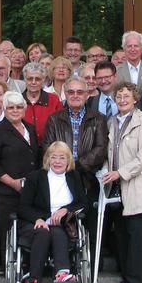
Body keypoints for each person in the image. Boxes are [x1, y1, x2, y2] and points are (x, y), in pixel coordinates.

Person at [41, 76, 110, 258]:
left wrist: (75, 166)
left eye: (80, 92)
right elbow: (47, 147)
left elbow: (101, 149)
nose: (75, 95)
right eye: (71, 92)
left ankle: (93, 268)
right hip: (60, 180)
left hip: (88, 179)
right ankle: (67, 266)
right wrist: (63, 167)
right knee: (64, 224)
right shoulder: (55, 119)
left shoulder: (98, 119)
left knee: (91, 226)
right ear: (65, 94)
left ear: (88, 95)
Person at [103, 82, 142, 283]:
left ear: (135, 99)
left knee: (135, 238)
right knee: (121, 237)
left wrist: (120, 172)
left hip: (136, 186)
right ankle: (126, 279)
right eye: (119, 96)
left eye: (126, 96)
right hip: (116, 188)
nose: (122, 100)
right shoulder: (112, 122)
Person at [18, 141, 86, 283]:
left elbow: (83, 203)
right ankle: (33, 282)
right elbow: (23, 206)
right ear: (47, 159)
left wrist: (66, 210)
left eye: (62, 158)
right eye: (53, 157)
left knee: (57, 232)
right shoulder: (35, 177)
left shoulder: (74, 177)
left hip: (61, 225)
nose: (57, 161)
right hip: (35, 225)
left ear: (68, 161)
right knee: (43, 233)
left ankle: (62, 275)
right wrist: (38, 219)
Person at [0, 91, 40, 278]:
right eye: (11, 107)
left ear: (24, 108)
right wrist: (13, 183)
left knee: (28, 229)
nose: (15, 110)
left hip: (29, 191)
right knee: (7, 230)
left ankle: (27, 265)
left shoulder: (30, 129)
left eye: (19, 106)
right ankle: (7, 266)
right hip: (6, 191)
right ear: (5, 109)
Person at [22, 62, 62, 142]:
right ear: (25, 80)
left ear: (43, 80)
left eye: (37, 79)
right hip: (24, 148)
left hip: (49, 147)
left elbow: (61, 126)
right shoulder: (18, 100)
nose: (33, 82)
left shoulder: (54, 100)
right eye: (30, 79)